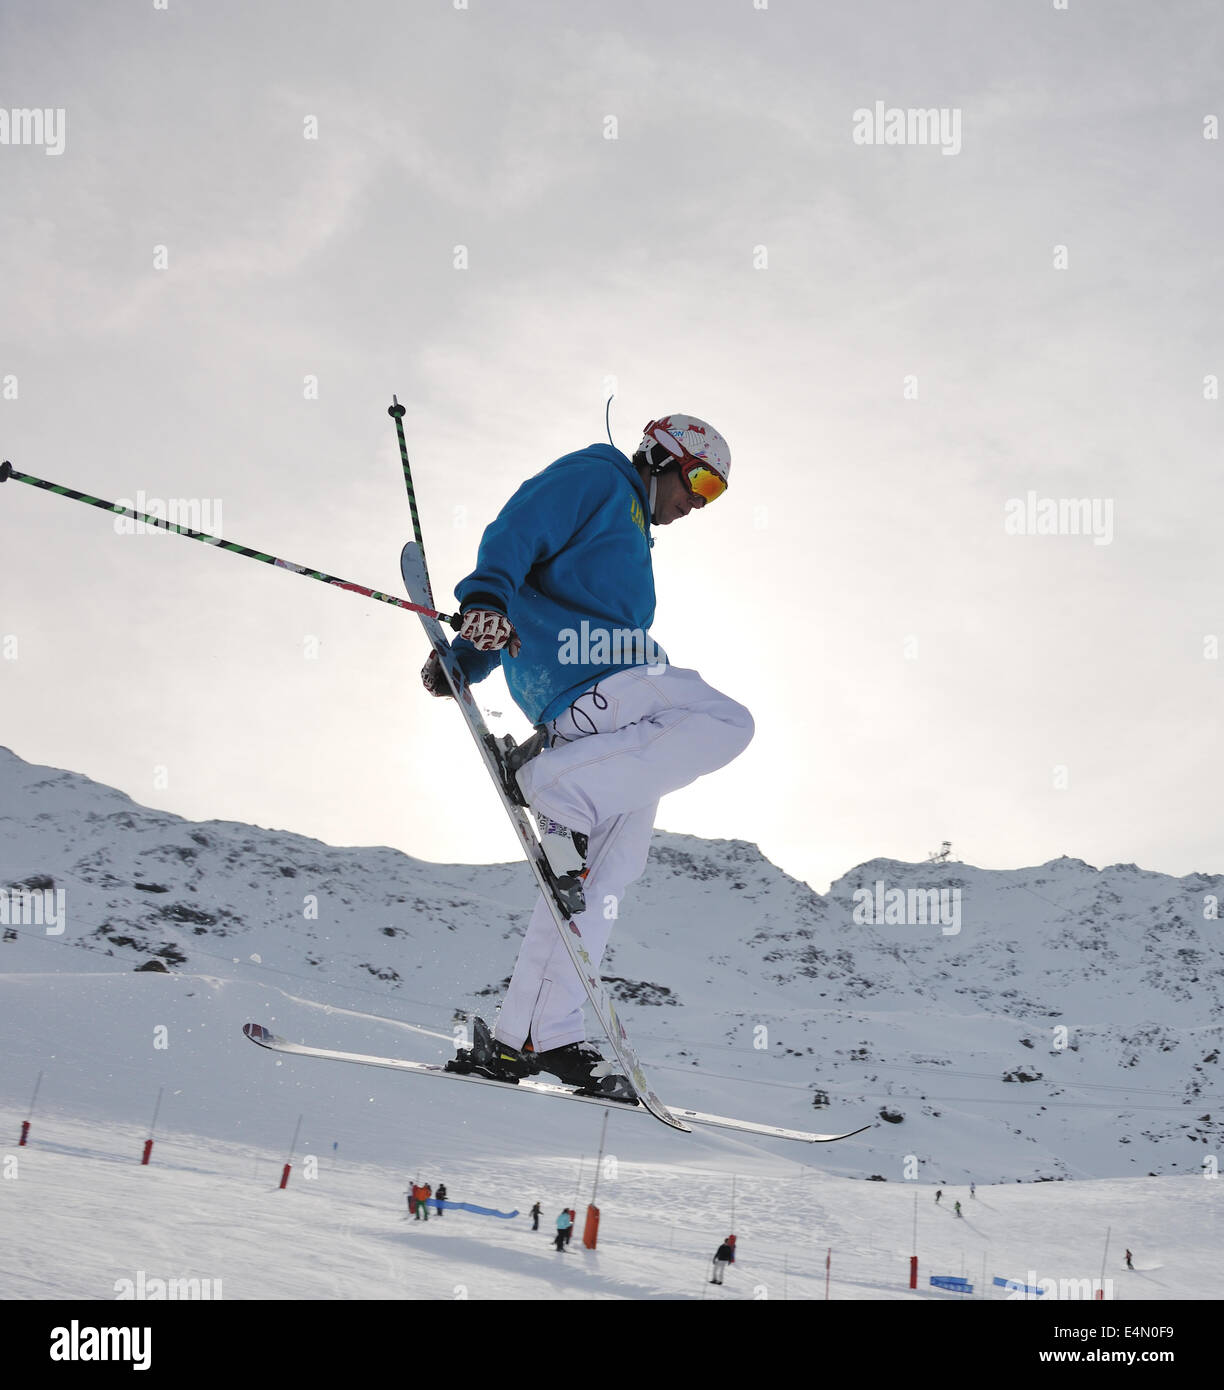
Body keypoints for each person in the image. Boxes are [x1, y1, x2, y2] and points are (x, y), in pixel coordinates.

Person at [430, 416, 753, 1094]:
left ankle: (534, 1037)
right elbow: (519, 530)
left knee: (601, 885)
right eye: (697, 479)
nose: (696, 502)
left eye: (713, 494)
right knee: (725, 721)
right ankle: (551, 783)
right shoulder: (599, 477)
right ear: (660, 456)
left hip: (598, 728)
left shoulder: (634, 530)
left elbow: (520, 610)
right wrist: (482, 598)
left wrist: (465, 657)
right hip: (604, 688)